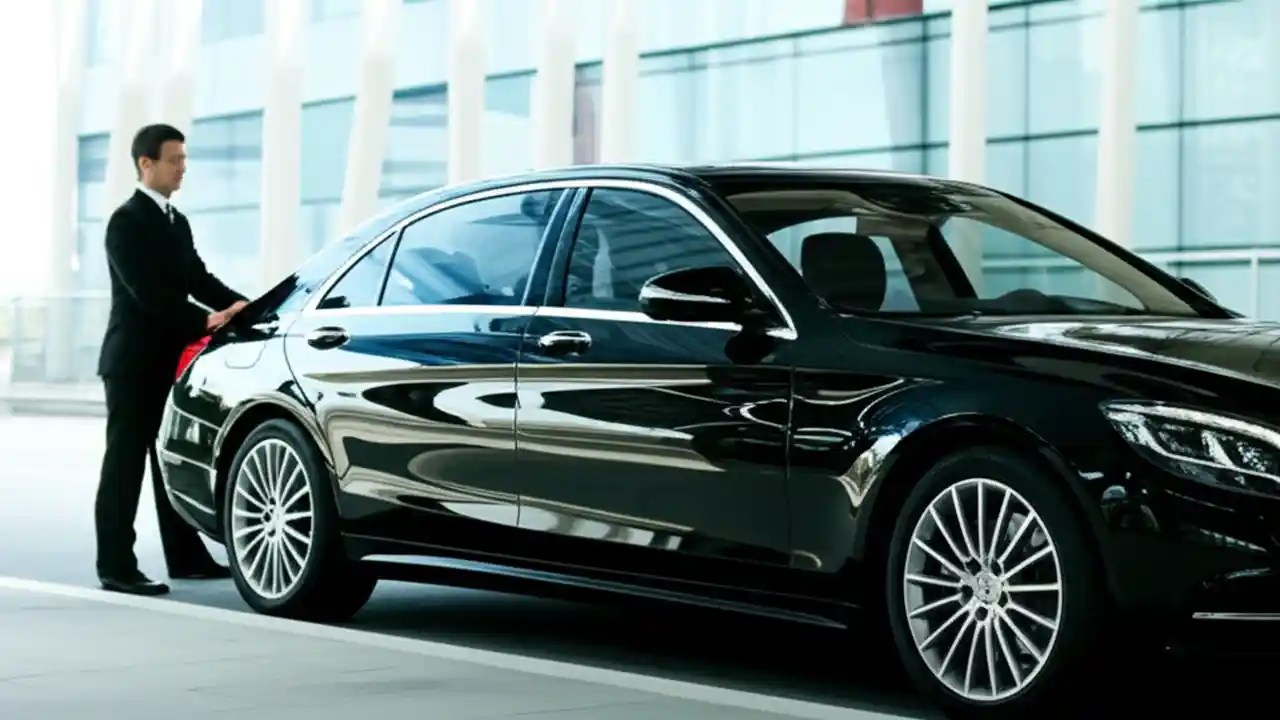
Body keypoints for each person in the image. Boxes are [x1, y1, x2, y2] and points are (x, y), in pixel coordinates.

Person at [94, 123, 249, 596]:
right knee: (125, 466)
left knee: (169, 460)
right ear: (146, 163)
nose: (183, 167)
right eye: (174, 159)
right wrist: (208, 321)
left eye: (184, 159)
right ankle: (116, 566)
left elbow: (200, 279)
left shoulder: (176, 222)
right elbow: (149, 295)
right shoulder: (126, 221)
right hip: (131, 363)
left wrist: (251, 308)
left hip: (170, 361)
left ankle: (185, 556)